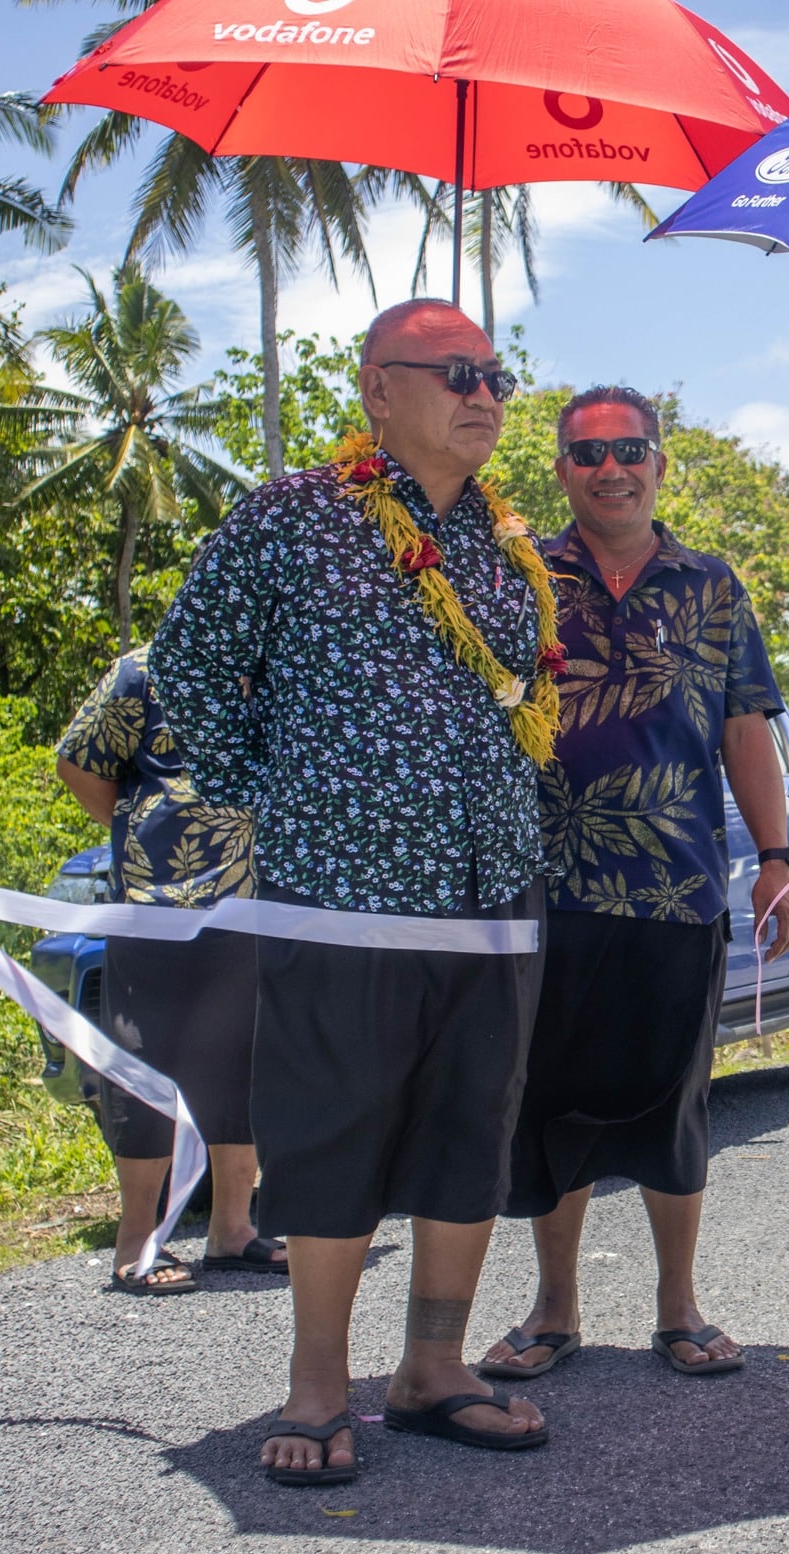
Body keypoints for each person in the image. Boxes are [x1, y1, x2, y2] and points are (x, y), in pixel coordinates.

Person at [150, 299, 555, 1485]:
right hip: (343, 891)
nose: (482, 394)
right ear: (378, 389)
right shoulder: (294, 516)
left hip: (490, 894)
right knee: (330, 1133)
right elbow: (190, 659)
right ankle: (319, 1385)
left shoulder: (503, 539)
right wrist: (270, 784)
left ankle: (431, 1371)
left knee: (468, 1132)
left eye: (495, 374)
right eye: (455, 373)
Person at [476, 385, 789, 1382]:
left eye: (629, 448)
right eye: (586, 452)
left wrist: (775, 859)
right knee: (547, 1106)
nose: (609, 467)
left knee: (673, 1103)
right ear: (560, 468)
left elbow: (745, 726)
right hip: (544, 887)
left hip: (677, 885)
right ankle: (553, 1309)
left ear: (658, 461)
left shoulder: (710, 584)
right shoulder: (519, 576)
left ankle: (679, 1308)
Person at [55, 646, 281, 1295]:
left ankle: (233, 1230)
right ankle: (138, 1242)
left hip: (251, 902)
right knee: (143, 1062)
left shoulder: (282, 663)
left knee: (243, 1059)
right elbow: (79, 764)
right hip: (153, 908)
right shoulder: (142, 670)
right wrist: (136, 839)